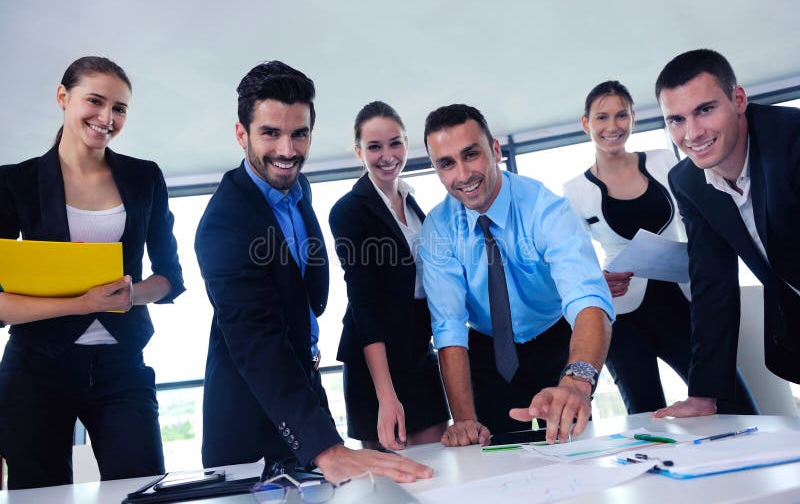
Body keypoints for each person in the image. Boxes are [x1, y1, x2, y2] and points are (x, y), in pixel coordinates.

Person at [194, 61, 432, 483]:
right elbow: (256, 340)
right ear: (241, 134)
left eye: (299, 134)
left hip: (305, 389)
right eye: (270, 133)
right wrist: (325, 447)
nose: (287, 151)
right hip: (250, 417)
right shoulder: (223, 225)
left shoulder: (297, 188)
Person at [0, 56, 185, 489]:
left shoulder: (144, 177)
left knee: (141, 489)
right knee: (40, 497)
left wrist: (131, 295)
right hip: (36, 368)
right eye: (95, 101)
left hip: (121, 365)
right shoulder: (15, 182)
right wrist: (82, 303)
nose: (107, 118)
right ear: (63, 97)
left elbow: (169, 277)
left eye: (119, 108)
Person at [419, 103, 614, 445]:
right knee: (496, 456)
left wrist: (578, 381)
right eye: (446, 164)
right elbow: (448, 325)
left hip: (555, 339)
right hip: (487, 351)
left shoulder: (546, 208)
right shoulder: (438, 227)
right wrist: (464, 420)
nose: (463, 175)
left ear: (496, 150)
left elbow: (587, 297)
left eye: (471, 154)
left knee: (572, 447)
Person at [562, 81, 756, 415]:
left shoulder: (664, 161)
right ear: (586, 123)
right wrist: (597, 279)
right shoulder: (574, 190)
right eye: (602, 117)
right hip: (622, 313)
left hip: (681, 301)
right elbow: (572, 261)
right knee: (644, 411)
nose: (612, 126)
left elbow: (700, 216)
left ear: (633, 118)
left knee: (732, 401)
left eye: (621, 115)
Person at [654, 49, 800, 418]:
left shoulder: (793, 138)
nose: (692, 133)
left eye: (705, 110)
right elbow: (712, 282)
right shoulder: (688, 182)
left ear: (738, 99)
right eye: (676, 119)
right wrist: (704, 394)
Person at [329, 101, 449, 452]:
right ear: (359, 152)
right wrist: (386, 396)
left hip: (418, 351)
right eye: (374, 147)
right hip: (376, 364)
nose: (387, 155)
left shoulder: (413, 204)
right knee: (391, 475)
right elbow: (364, 305)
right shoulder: (349, 211)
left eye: (395, 143)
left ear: (406, 144)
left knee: (441, 466)